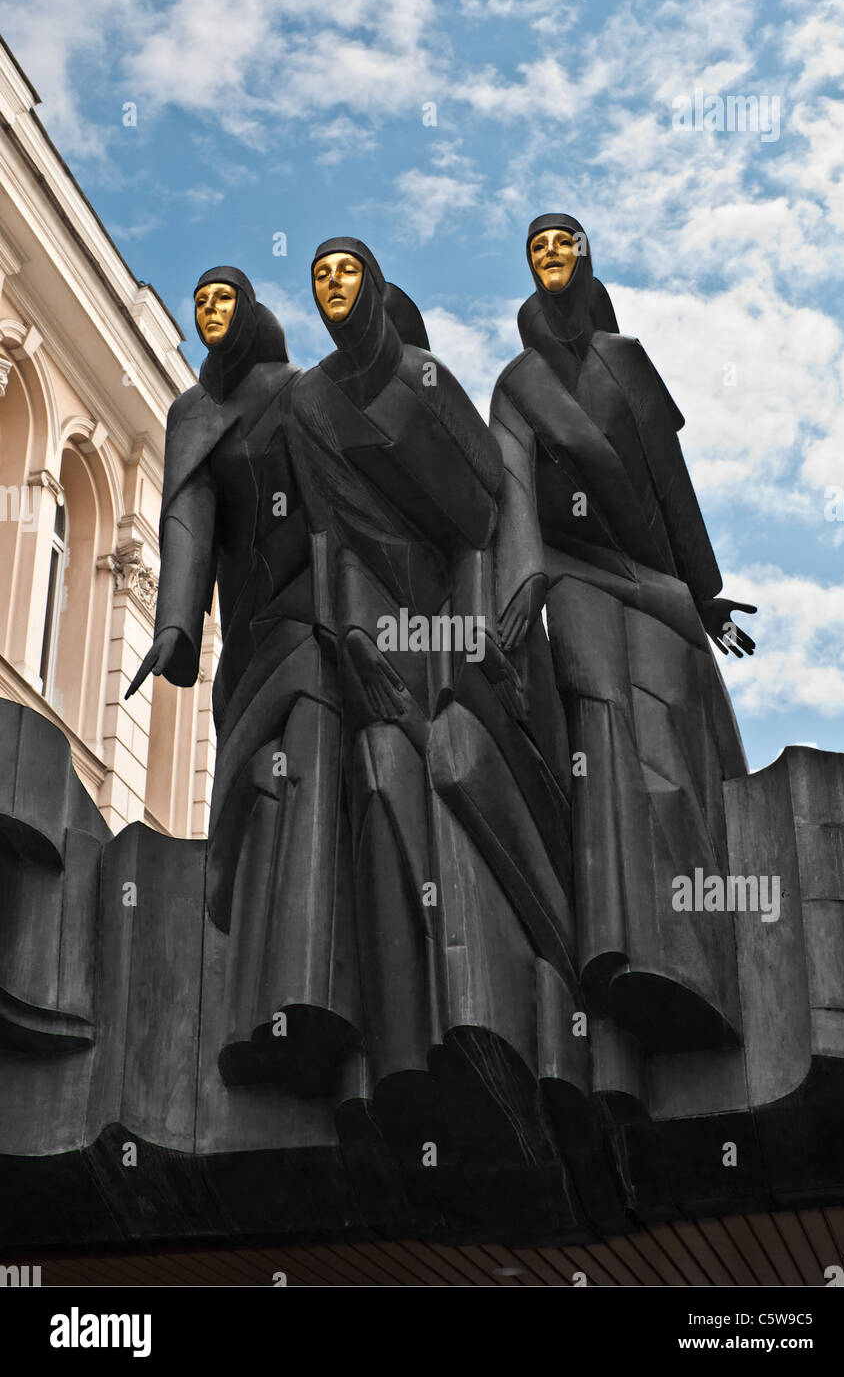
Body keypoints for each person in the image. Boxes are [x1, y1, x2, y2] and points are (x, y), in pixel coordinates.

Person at [289, 237, 580, 1162]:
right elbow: (334, 536)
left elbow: (488, 514)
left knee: (456, 755)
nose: (333, 287)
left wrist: (473, 642)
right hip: (383, 622)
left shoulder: (423, 378)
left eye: (347, 272)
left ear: (374, 286)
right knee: (378, 770)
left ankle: (505, 1008)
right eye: (319, 274)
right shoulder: (308, 402)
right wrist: (354, 636)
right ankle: (402, 1052)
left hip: (464, 614)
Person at [490, 213, 757, 1053]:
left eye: (560, 242)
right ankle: (617, 948)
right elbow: (507, 486)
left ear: (585, 255)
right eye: (536, 247)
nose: (549, 255)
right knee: (601, 728)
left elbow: (670, 488)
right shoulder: (517, 383)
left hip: (657, 586)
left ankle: (696, 954)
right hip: (572, 575)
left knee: (674, 738)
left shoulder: (628, 363)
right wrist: (520, 586)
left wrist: (705, 596)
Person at [127, 266, 361, 1096]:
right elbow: (187, 521)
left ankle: (309, 997)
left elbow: (334, 515)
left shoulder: (297, 392)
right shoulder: (190, 414)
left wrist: (344, 618)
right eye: (200, 304)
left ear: (250, 311)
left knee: (303, 783)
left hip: (311, 618)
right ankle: (261, 996)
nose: (210, 312)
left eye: (224, 299)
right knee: (249, 794)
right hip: (250, 638)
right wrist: (174, 627)